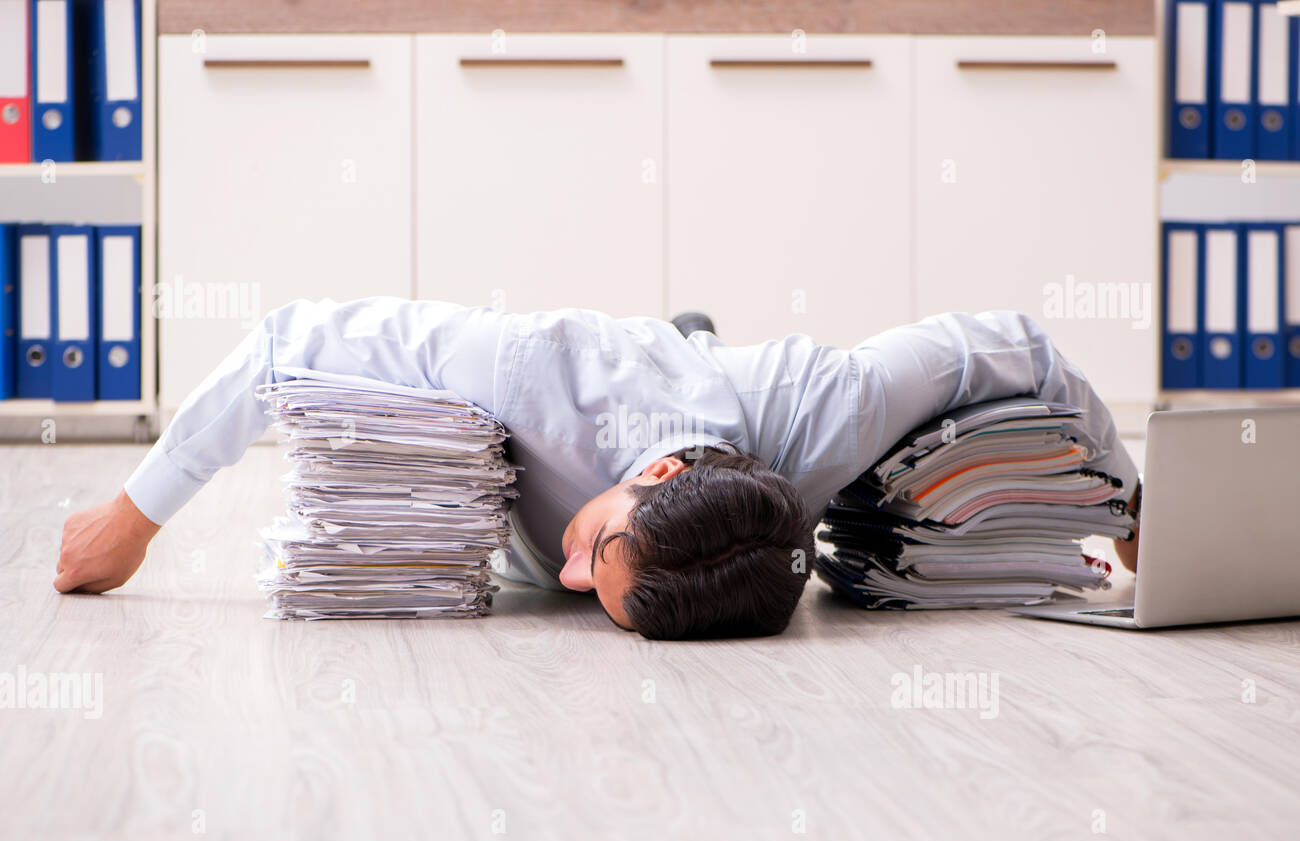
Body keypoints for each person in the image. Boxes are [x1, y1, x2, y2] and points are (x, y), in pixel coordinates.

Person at [53, 298, 1142, 639]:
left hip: (711, 396)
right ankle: (683, 326)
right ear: (655, 471)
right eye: (597, 552)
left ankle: (689, 329)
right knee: (676, 335)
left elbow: (1024, 351)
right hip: (617, 378)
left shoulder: (820, 446)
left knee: (691, 340)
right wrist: (133, 518)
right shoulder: (521, 371)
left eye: (597, 595)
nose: (570, 582)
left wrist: (1120, 502)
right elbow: (286, 339)